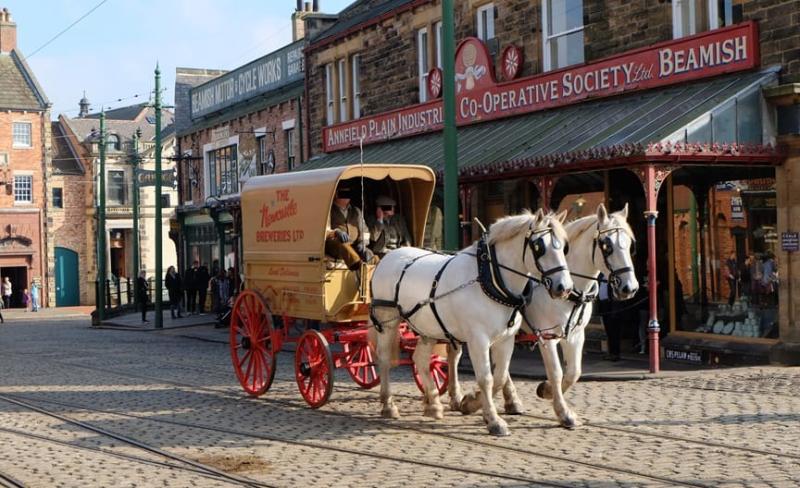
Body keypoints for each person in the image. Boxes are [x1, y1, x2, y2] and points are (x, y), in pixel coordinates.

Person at [324, 183, 375, 270]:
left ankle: (375, 269)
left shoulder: (356, 211)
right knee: (343, 245)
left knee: (368, 253)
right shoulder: (328, 210)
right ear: (336, 194)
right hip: (335, 245)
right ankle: (357, 266)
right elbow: (324, 230)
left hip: (354, 245)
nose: (347, 196)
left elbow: (365, 231)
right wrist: (336, 232)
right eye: (344, 193)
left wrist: (362, 243)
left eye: (349, 193)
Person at [598, 274, 620, 361]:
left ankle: (615, 354)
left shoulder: (612, 278)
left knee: (613, 332)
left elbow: (615, 295)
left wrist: (614, 310)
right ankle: (611, 352)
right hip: (604, 305)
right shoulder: (600, 277)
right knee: (608, 331)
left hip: (611, 307)